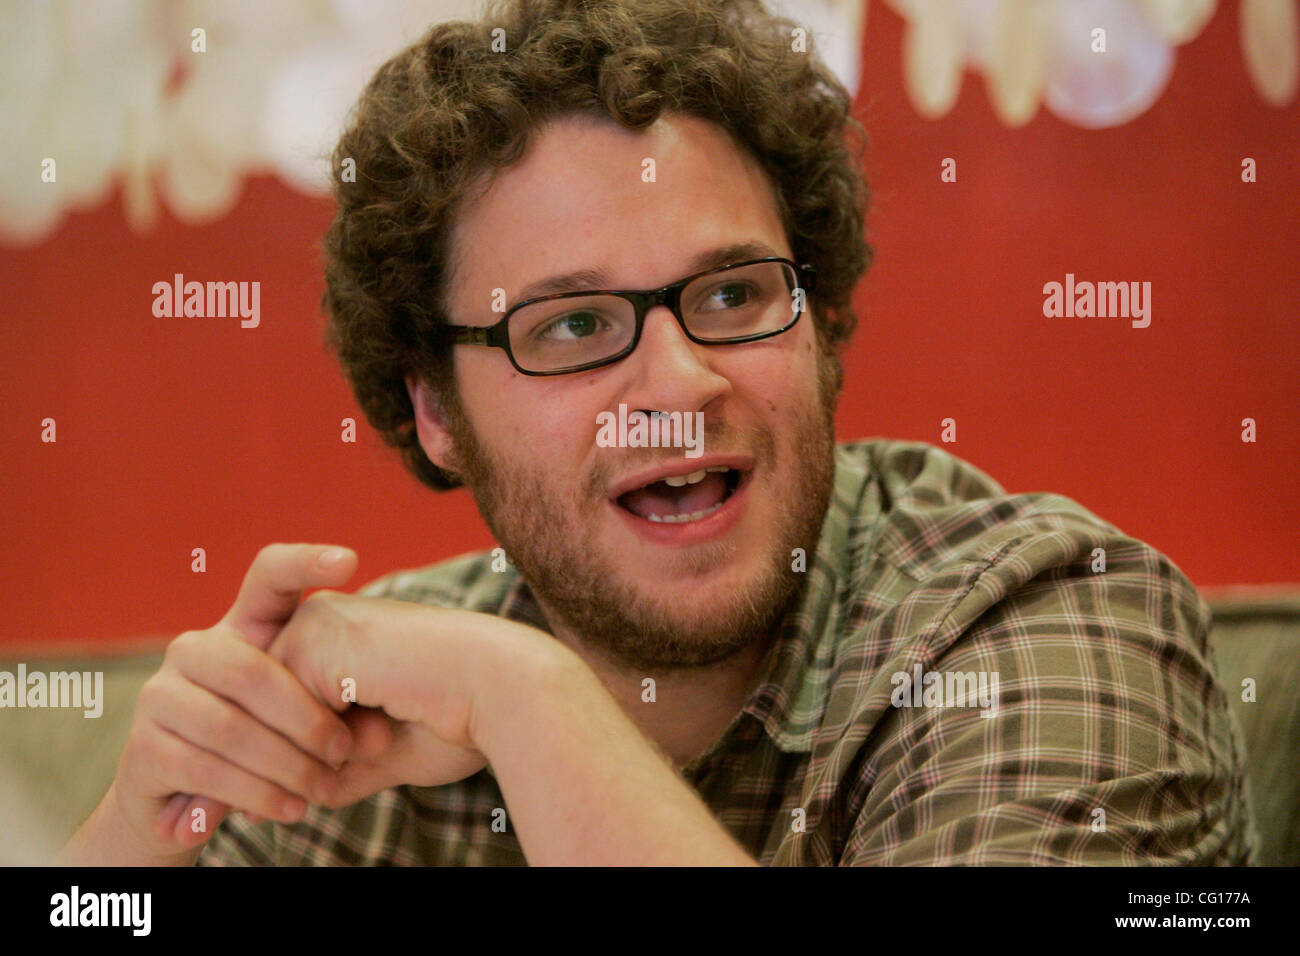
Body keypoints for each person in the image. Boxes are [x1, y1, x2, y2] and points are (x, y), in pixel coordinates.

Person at [63, 0, 1255, 866]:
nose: (678, 377)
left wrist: (532, 706)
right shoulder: (365, 720)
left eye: (733, 294)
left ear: (820, 321)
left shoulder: (1051, 620)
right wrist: (134, 831)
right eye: (573, 323)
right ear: (434, 409)